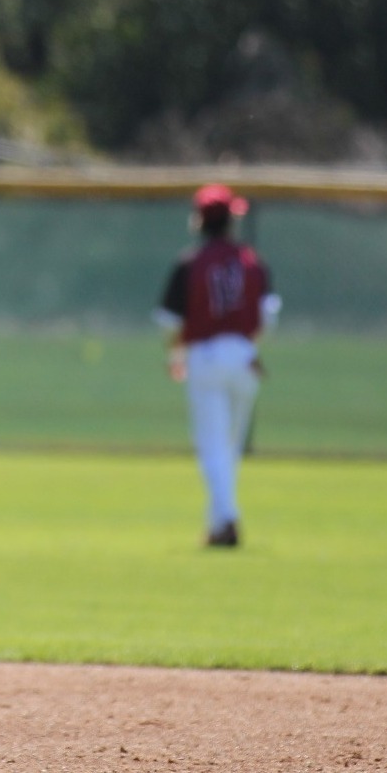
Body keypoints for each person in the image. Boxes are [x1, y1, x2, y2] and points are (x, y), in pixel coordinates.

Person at [154, 184, 281, 549]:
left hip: (205, 356)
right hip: (243, 356)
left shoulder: (189, 262)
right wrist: (248, 347)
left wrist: (176, 358)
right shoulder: (252, 260)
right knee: (230, 449)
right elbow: (268, 316)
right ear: (230, 220)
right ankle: (217, 525)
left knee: (213, 448)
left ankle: (226, 519)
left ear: (198, 221)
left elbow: (168, 322)